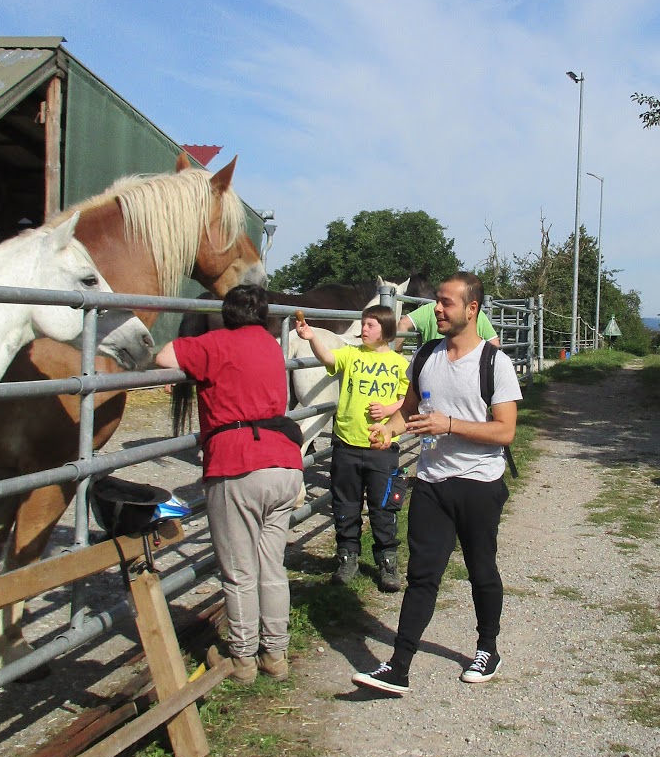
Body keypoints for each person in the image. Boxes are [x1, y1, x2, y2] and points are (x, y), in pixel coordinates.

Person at [353, 273, 521, 695]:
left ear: (472, 310)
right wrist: (389, 431)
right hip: (430, 481)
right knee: (423, 576)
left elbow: (505, 432)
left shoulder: (494, 363)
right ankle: (399, 666)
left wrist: (449, 424)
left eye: (446, 303)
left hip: (480, 483)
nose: (437, 310)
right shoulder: (426, 355)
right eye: (437, 303)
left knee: (481, 568)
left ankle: (488, 648)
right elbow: (408, 410)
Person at [156, 285, 304, 682]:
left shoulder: (215, 343)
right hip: (284, 464)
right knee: (271, 567)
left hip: (236, 462)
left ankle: (243, 659)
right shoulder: (271, 345)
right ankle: (276, 654)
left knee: (239, 571)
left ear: (225, 314)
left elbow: (162, 356)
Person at [294, 304, 408, 592]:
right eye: (363, 324)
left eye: (370, 325)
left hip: (382, 446)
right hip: (346, 443)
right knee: (346, 504)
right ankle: (347, 557)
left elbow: (409, 400)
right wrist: (311, 337)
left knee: (383, 505)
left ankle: (387, 560)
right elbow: (328, 357)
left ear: (386, 330)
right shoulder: (352, 355)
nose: (363, 329)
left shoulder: (400, 363)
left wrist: (388, 408)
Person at [398, 295, 500, 348]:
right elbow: (494, 342)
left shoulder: (429, 308)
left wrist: (397, 352)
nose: (437, 308)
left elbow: (403, 323)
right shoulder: (475, 312)